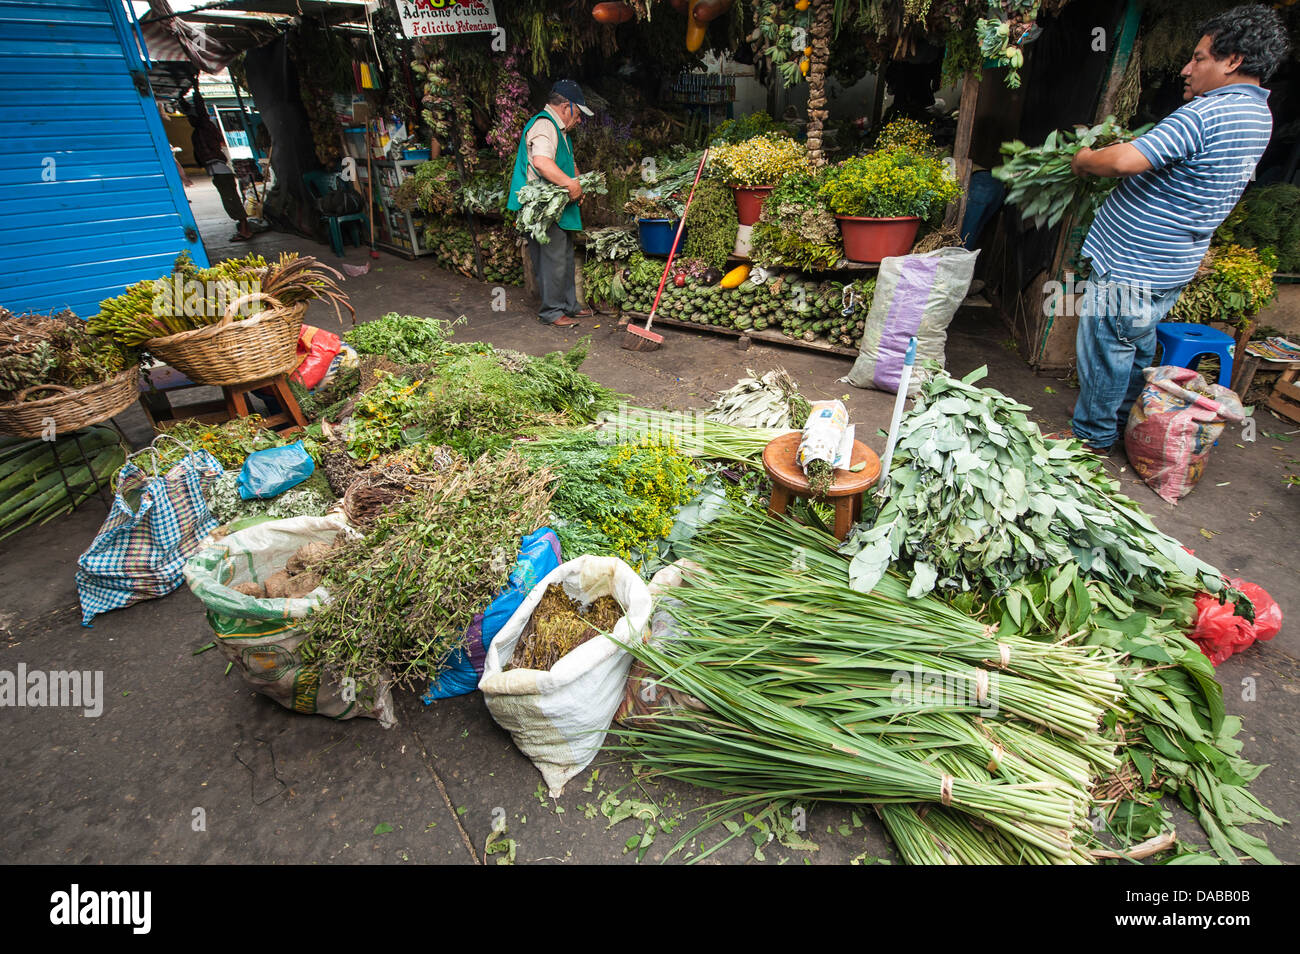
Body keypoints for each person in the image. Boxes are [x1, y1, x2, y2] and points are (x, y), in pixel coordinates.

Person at [1065, 4, 1288, 454]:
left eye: (1200, 58)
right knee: (1135, 343)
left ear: (1233, 61)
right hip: (1172, 262)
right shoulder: (1258, 115)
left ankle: (1091, 440)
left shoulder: (1206, 113)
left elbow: (1126, 160)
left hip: (1135, 262)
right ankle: (1135, 421)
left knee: (1107, 349)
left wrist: (1085, 159)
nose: (1187, 69)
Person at [507, 80, 595, 328]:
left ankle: (568, 306)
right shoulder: (545, 125)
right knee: (552, 260)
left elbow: (566, 160)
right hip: (544, 209)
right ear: (566, 106)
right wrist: (570, 184)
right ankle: (552, 312)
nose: (579, 120)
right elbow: (543, 163)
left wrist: (577, 181)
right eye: (578, 113)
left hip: (559, 206)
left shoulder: (560, 130)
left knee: (564, 257)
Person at [185, 91, 252, 242]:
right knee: (230, 202)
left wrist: (195, 91)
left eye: (192, 117)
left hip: (221, 172)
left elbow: (201, 111)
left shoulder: (205, 126)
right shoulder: (199, 130)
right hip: (218, 173)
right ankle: (244, 229)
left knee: (232, 201)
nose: (190, 120)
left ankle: (245, 231)